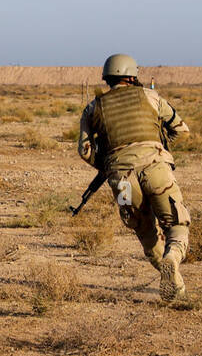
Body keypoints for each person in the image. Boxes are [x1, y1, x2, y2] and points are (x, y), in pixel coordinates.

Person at [77, 54, 190, 302]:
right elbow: (181, 129)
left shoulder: (93, 107)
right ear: (132, 75)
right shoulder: (151, 97)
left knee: (145, 232)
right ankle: (173, 259)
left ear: (107, 78)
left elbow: (84, 151)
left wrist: (107, 165)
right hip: (156, 169)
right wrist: (160, 146)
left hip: (122, 180)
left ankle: (176, 287)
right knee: (176, 224)